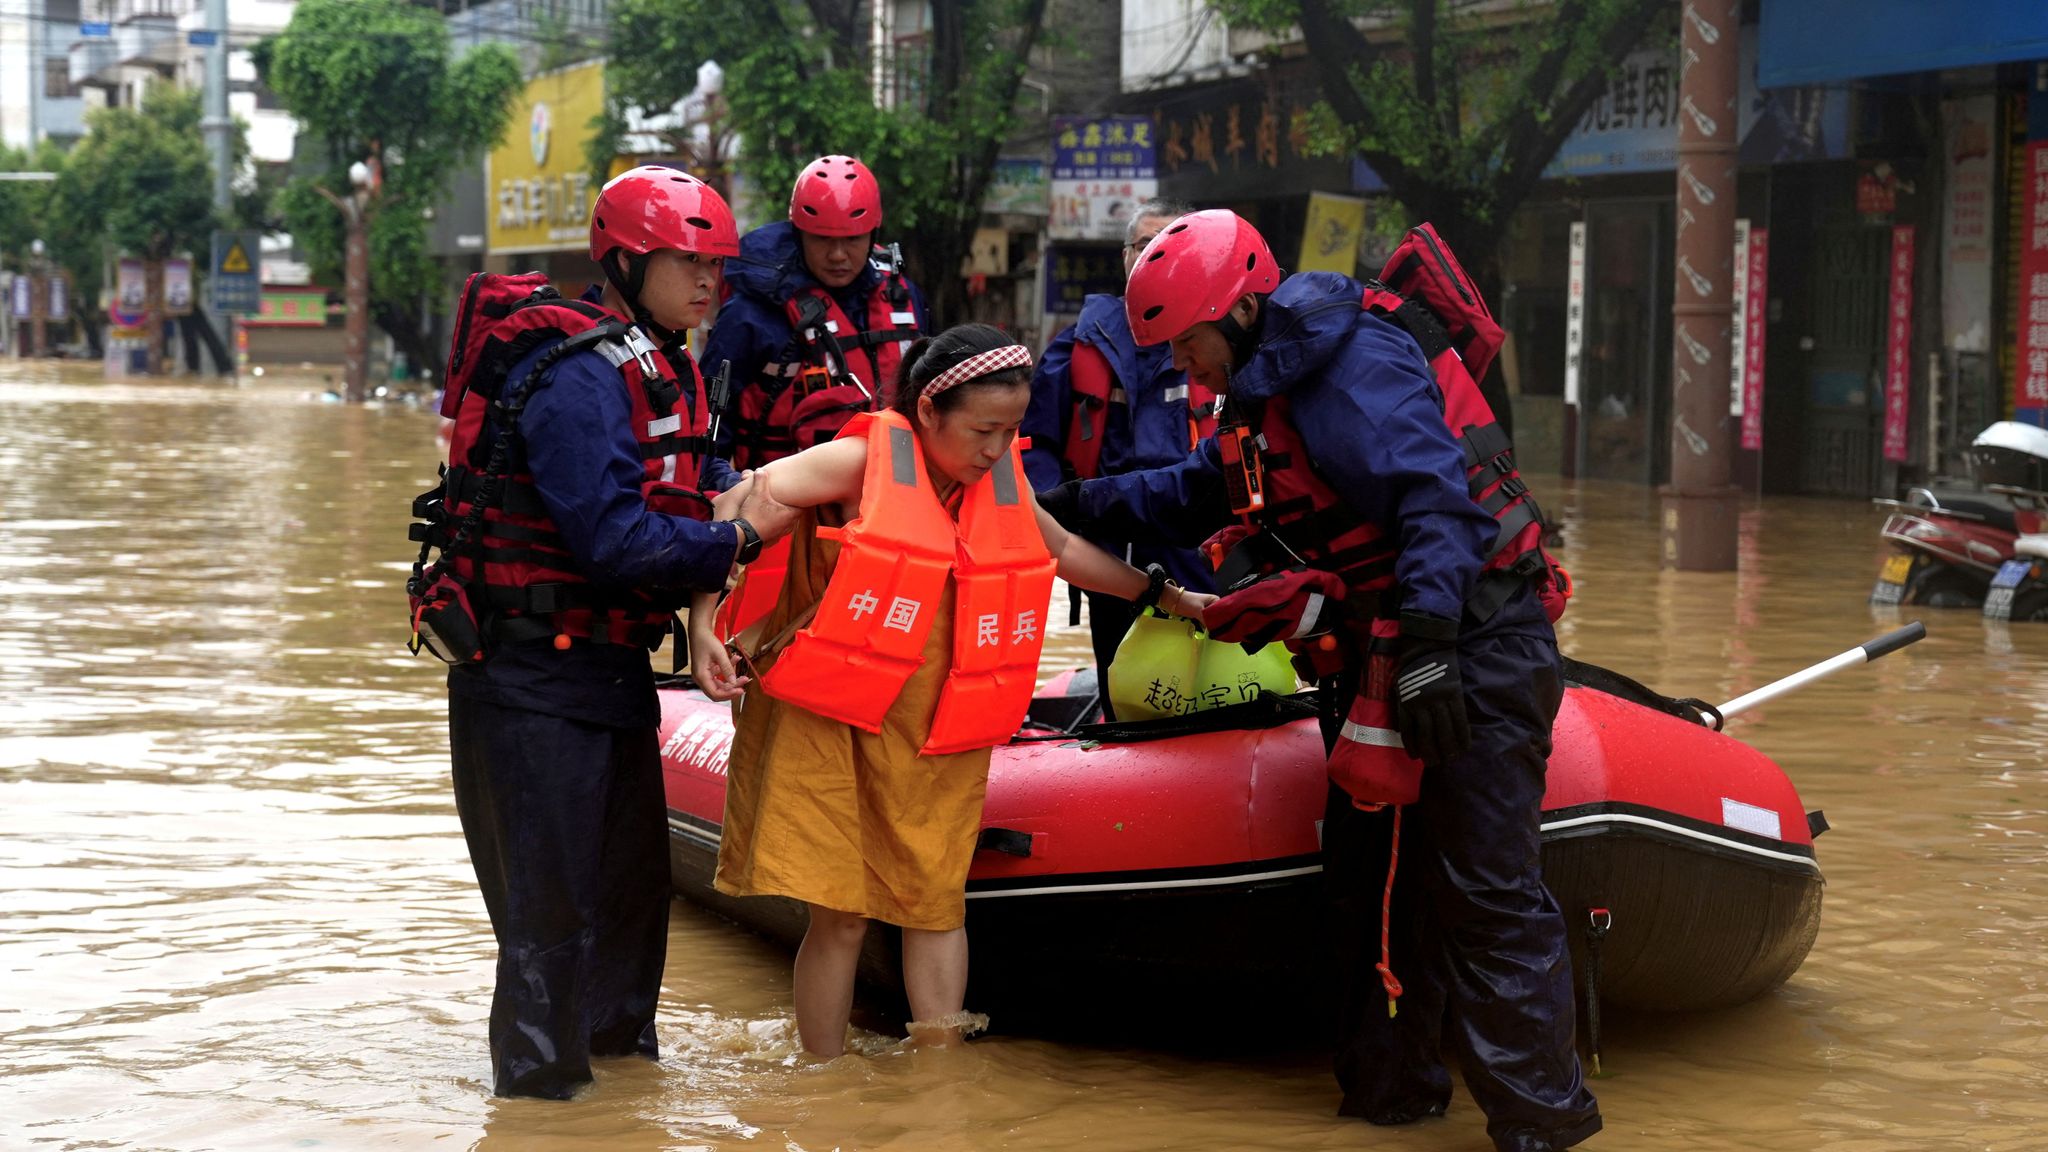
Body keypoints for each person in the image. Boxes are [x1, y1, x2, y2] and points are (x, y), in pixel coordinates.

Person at [1045, 211, 1600, 1152]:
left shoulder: (1352, 368)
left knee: (1486, 890)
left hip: (1470, 648)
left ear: (1245, 307)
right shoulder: (1262, 388)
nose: (1186, 366)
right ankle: (1392, 1097)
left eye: (1190, 341)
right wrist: (1067, 503)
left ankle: (1545, 1126)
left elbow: (1439, 504)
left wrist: (1428, 649)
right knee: (1370, 886)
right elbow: (1203, 488)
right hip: (1381, 655)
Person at [687, 324, 1215, 1058]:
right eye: (983, 430)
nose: (998, 449)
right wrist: (703, 624)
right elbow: (743, 503)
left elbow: (1059, 550)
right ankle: (821, 1086)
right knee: (840, 916)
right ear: (929, 412)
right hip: (828, 717)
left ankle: (940, 1079)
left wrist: (1169, 597)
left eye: (1012, 430)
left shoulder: (996, 481)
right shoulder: (857, 461)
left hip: (933, 726)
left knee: (936, 904)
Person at [437, 165, 798, 1099]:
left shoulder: (663, 363)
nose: (710, 281)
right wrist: (737, 540)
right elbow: (612, 538)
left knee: (632, 909)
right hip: (527, 682)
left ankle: (625, 1097)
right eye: (688, 261)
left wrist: (706, 613)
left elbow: (666, 512)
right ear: (628, 263)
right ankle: (541, 1100)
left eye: (718, 262)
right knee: (549, 921)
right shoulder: (580, 380)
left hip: (605, 674)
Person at [1020, 197, 1217, 714]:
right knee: (1124, 688)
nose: (1155, 254)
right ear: (1124, 255)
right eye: (1144, 243)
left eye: (1170, 244)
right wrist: (1051, 513)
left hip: (1201, 541)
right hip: (1109, 544)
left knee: (1216, 682)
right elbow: (1035, 438)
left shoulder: (1218, 341)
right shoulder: (1080, 344)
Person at [705, 154, 930, 471]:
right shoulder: (749, 315)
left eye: (852, 239)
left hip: (895, 497)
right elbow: (707, 433)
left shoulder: (905, 299)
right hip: (786, 505)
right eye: (822, 238)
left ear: (872, 235)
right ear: (798, 235)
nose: (838, 255)